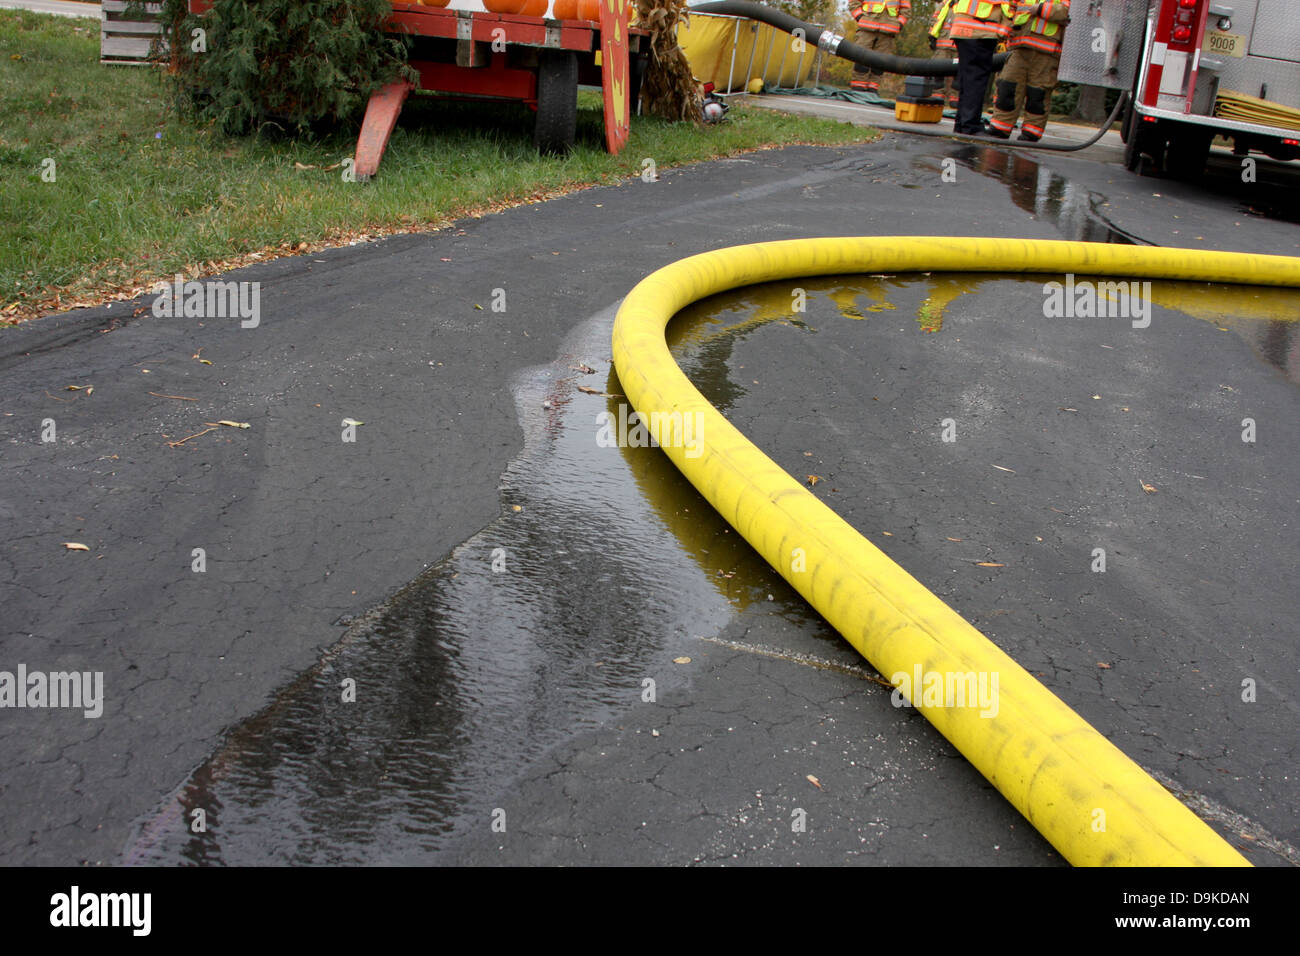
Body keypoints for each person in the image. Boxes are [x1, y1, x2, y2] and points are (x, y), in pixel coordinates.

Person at [985, 1, 1071, 141]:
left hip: (1047, 52)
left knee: (1038, 92)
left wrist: (1040, 9)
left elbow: (1067, 13)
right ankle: (1000, 127)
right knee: (1007, 86)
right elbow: (1011, 9)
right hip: (1019, 47)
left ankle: (1031, 132)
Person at [947, 1, 1017, 135]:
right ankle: (970, 125)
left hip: (965, 28)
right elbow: (1007, 8)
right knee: (976, 80)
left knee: (967, 80)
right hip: (980, 30)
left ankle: (962, 124)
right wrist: (1006, 30)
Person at [849, 1, 911, 94]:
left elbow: (906, 9)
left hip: (888, 30)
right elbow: (854, 2)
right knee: (861, 58)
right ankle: (858, 87)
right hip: (867, 26)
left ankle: (872, 89)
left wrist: (899, 24)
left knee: (880, 63)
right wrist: (859, 17)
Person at [929, 0, 960, 109]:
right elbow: (935, 19)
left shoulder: (968, 5)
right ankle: (937, 95)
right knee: (938, 70)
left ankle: (955, 98)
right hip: (942, 44)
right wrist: (932, 35)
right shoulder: (946, 3)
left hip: (960, 47)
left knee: (960, 73)